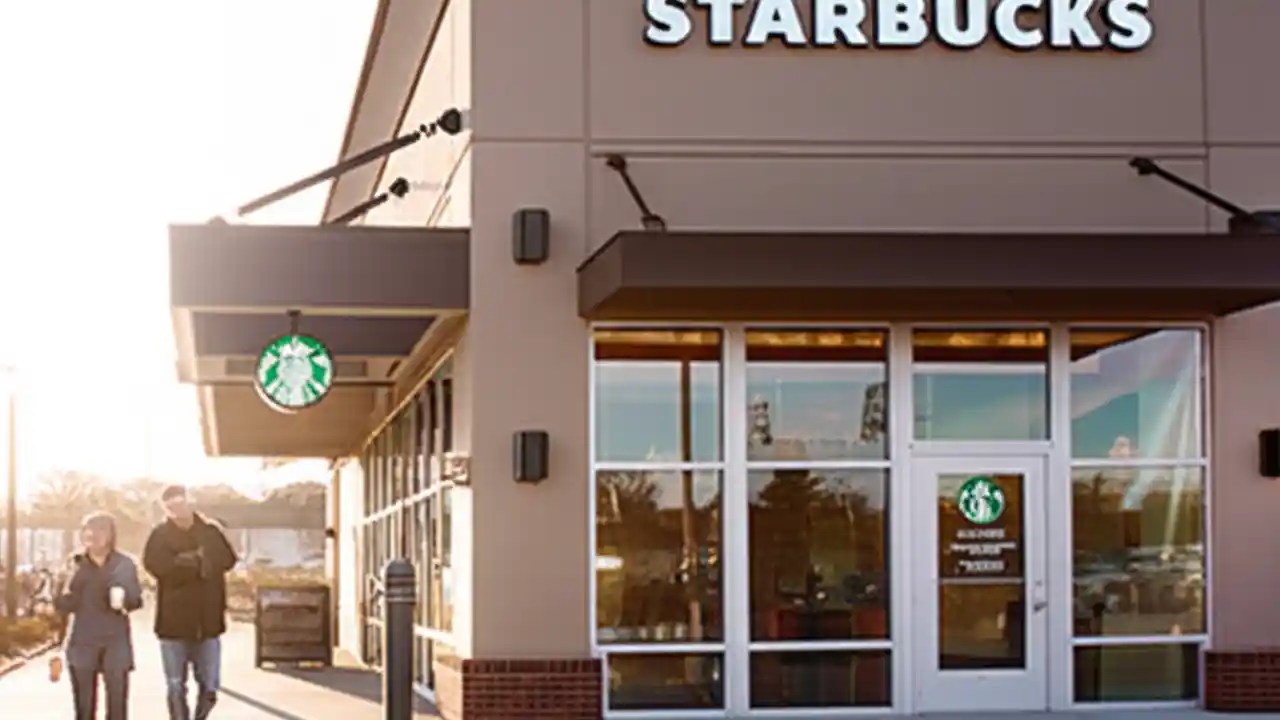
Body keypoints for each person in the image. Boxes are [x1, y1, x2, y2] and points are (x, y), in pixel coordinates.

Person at [143, 485, 238, 720]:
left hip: (208, 621)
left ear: (190, 502)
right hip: (172, 622)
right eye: (171, 505)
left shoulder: (210, 531)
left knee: (210, 686)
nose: (177, 509)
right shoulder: (160, 535)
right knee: (175, 685)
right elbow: (155, 565)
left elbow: (228, 560)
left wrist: (203, 562)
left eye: (180, 503)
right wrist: (186, 564)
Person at [53, 511, 145, 720]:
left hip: (115, 640)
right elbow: (59, 602)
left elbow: (136, 600)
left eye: (101, 529)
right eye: (89, 529)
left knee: (117, 707)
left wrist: (124, 600)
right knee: (84, 708)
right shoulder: (73, 563)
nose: (93, 534)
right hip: (82, 640)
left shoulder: (124, 564)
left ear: (111, 535)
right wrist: (67, 595)